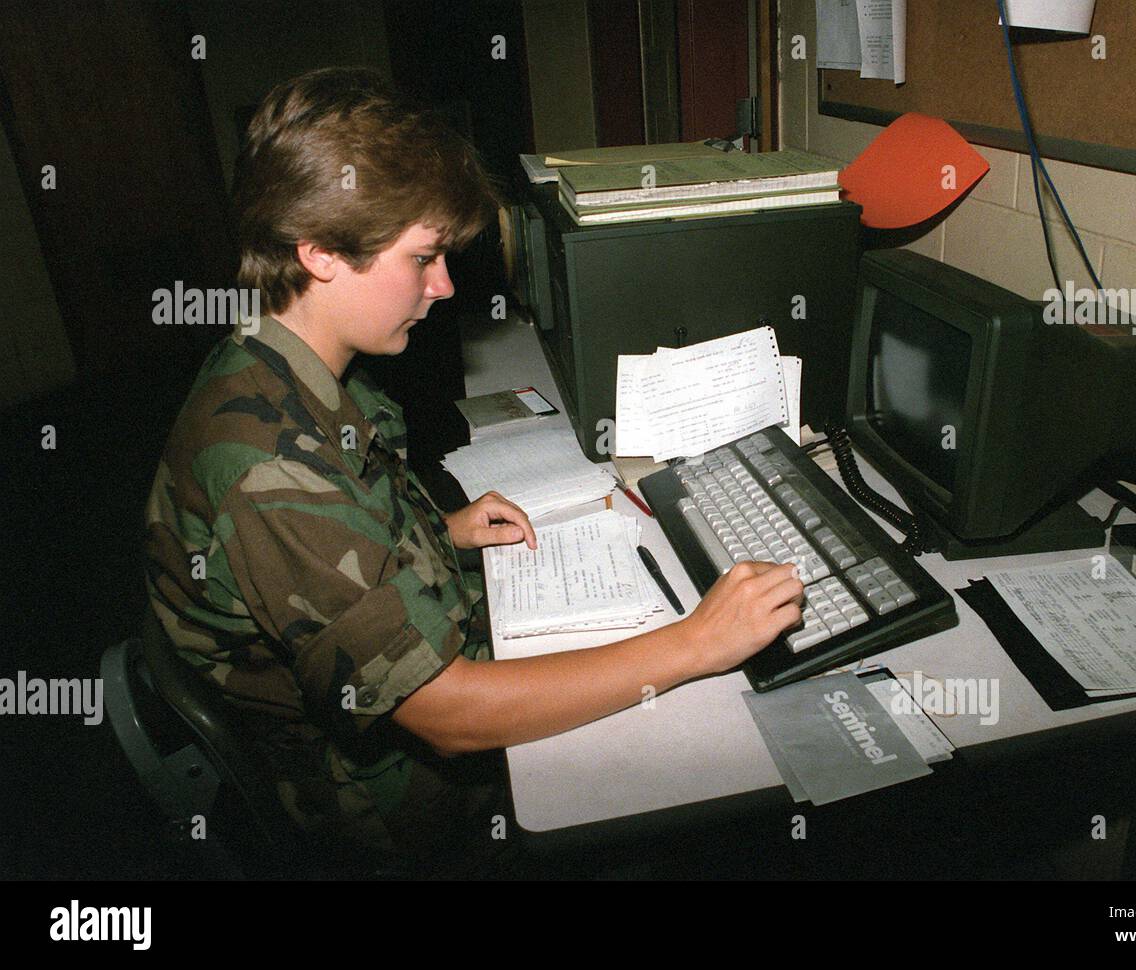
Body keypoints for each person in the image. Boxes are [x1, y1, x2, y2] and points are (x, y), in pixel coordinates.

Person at [144, 66, 804, 875]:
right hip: (382, 800)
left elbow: (344, 524)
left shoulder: (280, 362)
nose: (444, 285)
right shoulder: (270, 467)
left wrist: (440, 531)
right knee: (701, 778)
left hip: (409, 673)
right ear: (319, 253)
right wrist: (697, 643)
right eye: (422, 259)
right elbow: (447, 716)